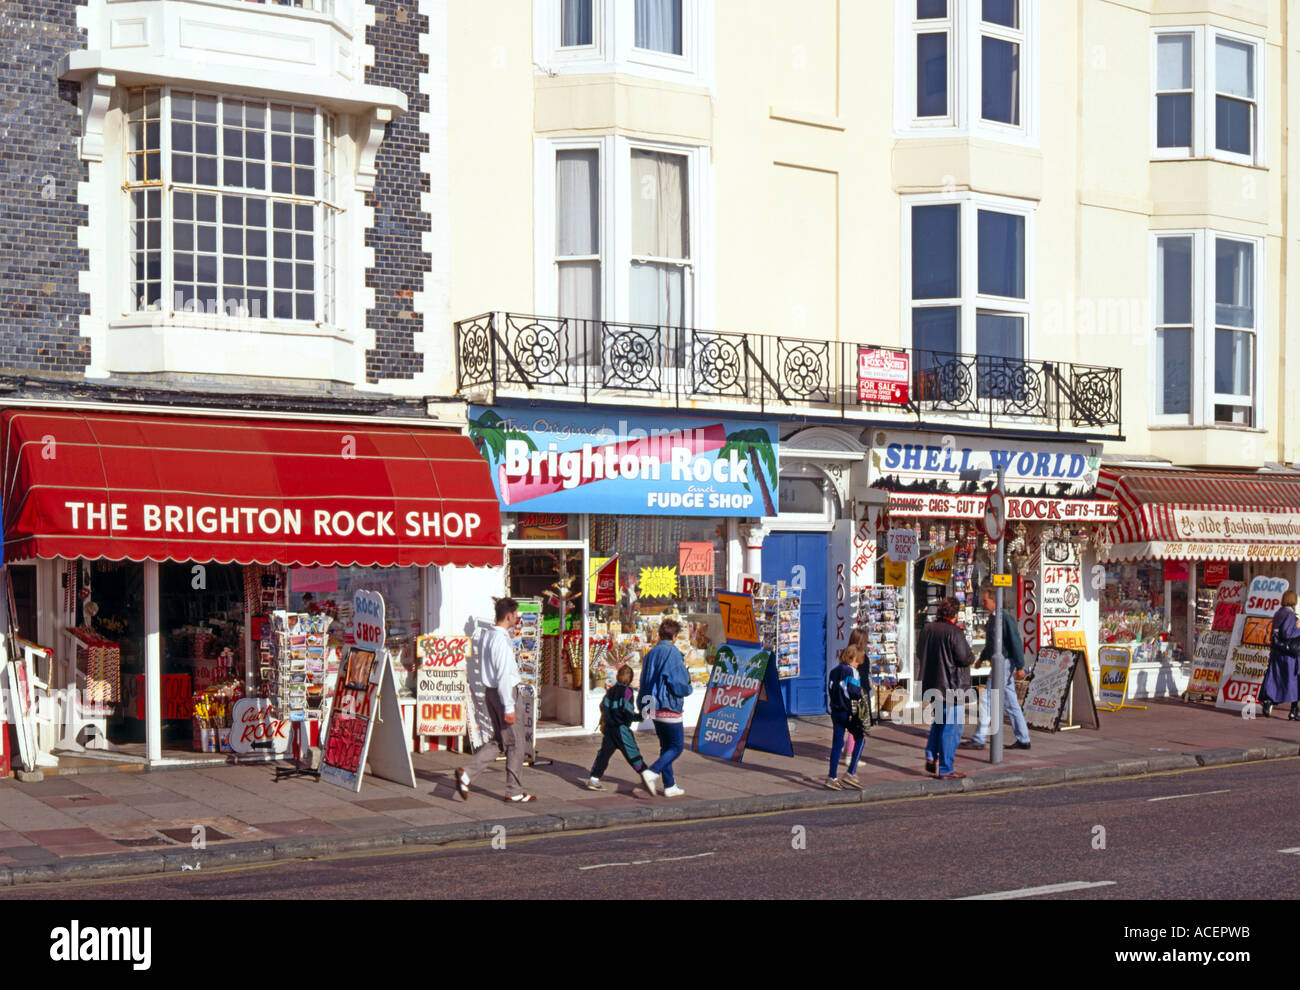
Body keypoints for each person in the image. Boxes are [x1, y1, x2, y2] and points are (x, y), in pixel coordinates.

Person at [456, 597, 535, 803]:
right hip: (504, 693)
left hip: (491, 692)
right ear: (508, 616)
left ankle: (467, 773)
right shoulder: (500, 639)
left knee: (500, 740)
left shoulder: (488, 635)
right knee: (516, 743)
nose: (518, 619)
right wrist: (509, 706)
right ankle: (514, 790)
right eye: (516, 615)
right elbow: (503, 675)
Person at [962, 583, 1032, 751]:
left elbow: (1015, 641)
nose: (982, 603)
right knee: (1012, 702)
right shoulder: (993, 617)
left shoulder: (1003, 618)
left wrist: (1020, 666)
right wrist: (981, 659)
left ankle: (979, 739)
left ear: (994, 600)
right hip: (1000, 663)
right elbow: (991, 643)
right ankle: (1024, 739)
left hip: (1005, 663)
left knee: (987, 697)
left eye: (985, 600)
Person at [636, 618, 692, 798]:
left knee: (665, 746)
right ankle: (652, 772)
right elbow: (678, 683)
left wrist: (643, 706)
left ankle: (670, 785)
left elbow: (645, 680)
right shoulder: (673, 653)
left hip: (654, 707)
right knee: (676, 747)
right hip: (669, 705)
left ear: (660, 634)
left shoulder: (651, 653)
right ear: (674, 636)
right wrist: (688, 685)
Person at [920, 597, 973, 780]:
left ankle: (930, 753)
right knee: (953, 728)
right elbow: (965, 657)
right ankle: (946, 768)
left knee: (939, 723)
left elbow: (921, 652)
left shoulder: (928, 629)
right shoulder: (954, 632)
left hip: (933, 684)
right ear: (955, 614)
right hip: (951, 687)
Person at [586, 665, 658, 793]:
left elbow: (603, 706)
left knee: (604, 754)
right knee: (632, 753)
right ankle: (645, 773)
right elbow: (626, 711)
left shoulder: (611, 690)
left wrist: (608, 719)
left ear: (618, 676)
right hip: (621, 729)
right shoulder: (627, 691)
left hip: (609, 729)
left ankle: (594, 778)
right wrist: (638, 717)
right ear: (630, 679)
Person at [826, 644, 867, 790]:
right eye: (858, 661)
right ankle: (851, 772)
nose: (858, 664)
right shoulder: (852, 672)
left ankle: (832, 777)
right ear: (853, 658)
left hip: (835, 711)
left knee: (837, 744)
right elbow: (854, 691)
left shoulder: (833, 671)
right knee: (861, 738)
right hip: (848, 711)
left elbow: (831, 689)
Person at [1260, 591, 1300, 719]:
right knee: (1294, 680)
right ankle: (1293, 710)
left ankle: (1269, 701)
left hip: (1277, 652)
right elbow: (1288, 634)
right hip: (1288, 654)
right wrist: (1298, 628)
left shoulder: (1278, 613)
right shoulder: (1290, 615)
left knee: (1276, 678)